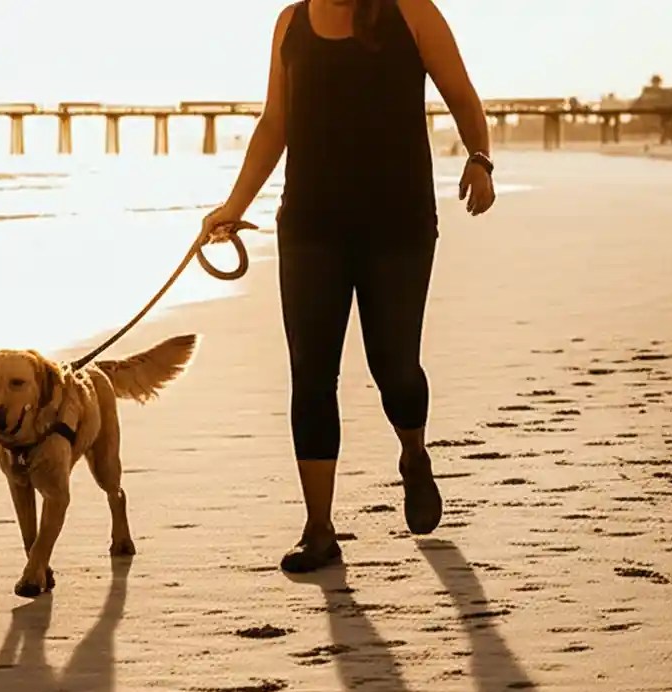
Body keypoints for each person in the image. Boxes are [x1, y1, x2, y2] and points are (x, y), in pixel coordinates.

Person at [200, 0, 496, 573]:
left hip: (399, 224)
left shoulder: (409, 11)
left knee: (396, 368)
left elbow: (460, 92)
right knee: (311, 375)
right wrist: (233, 207)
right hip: (310, 225)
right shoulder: (290, 24)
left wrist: (479, 159)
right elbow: (275, 124)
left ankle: (413, 453)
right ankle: (319, 528)